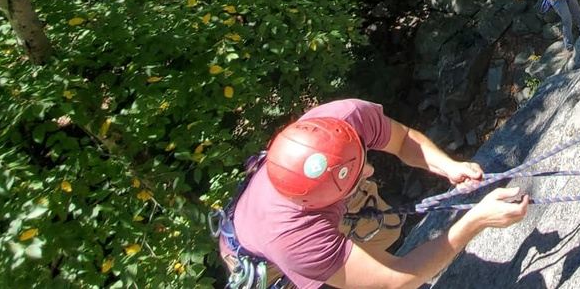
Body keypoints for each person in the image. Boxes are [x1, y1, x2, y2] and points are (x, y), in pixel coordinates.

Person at [217, 98, 529, 288]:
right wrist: (474, 221)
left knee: (386, 231)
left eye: (362, 161)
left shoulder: (343, 119)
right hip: (262, 256)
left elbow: (404, 139)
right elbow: (397, 281)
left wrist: (446, 166)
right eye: (356, 178)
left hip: (309, 204)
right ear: (327, 200)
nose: (371, 172)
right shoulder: (296, 240)